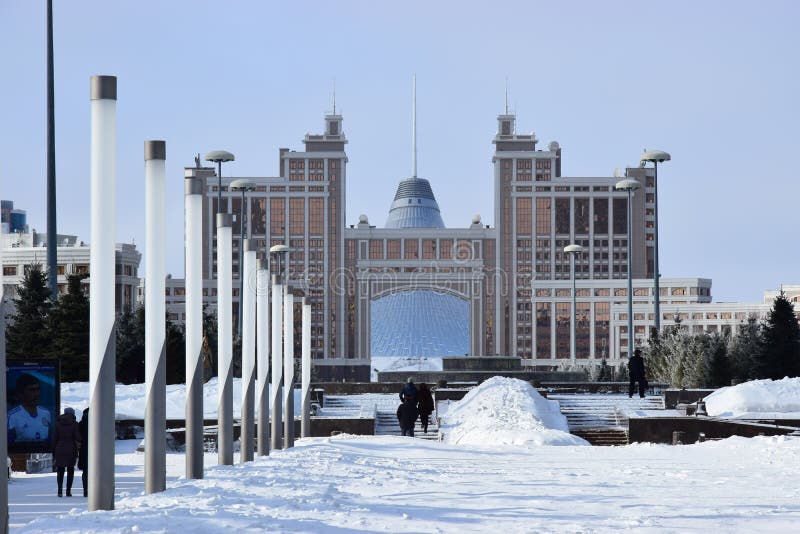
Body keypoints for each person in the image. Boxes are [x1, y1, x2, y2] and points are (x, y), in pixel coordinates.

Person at [7, 373, 52, 443]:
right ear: (20, 393)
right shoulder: (12, 416)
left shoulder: (46, 413)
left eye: (38, 389)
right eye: (32, 390)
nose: (37, 394)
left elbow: (50, 441)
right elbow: (9, 446)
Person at [53, 407, 80, 497]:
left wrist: (54, 449)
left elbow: (55, 438)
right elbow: (78, 437)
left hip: (59, 449)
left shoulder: (57, 423)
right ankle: (68, 491)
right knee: (70, 470)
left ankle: (59, 490)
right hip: (71, 449)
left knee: (60, 470)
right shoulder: (74, 424)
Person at [78, 407, 89, 497]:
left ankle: (85, 489)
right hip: (96, 451)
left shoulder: (81, 424)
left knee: (85, 471)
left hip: (84, 449)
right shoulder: (97, 423)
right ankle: (95, 488)